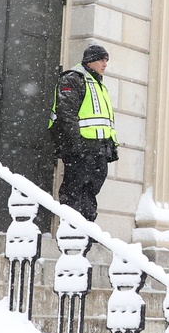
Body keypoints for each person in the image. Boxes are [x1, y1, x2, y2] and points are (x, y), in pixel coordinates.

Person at [49, 43, 119, 221]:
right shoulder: (73, 79)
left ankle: (86, 233)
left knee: (90, 193)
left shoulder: (99, 85)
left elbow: (105, 121)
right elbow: (66, 115)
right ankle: (71, 232)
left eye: (106, 60)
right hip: (81, 150)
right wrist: (76, 146)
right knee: (74, 191)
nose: (105, 64)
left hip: (98, 151)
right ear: (90, 61)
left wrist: (111, 148)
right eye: (101, 59)